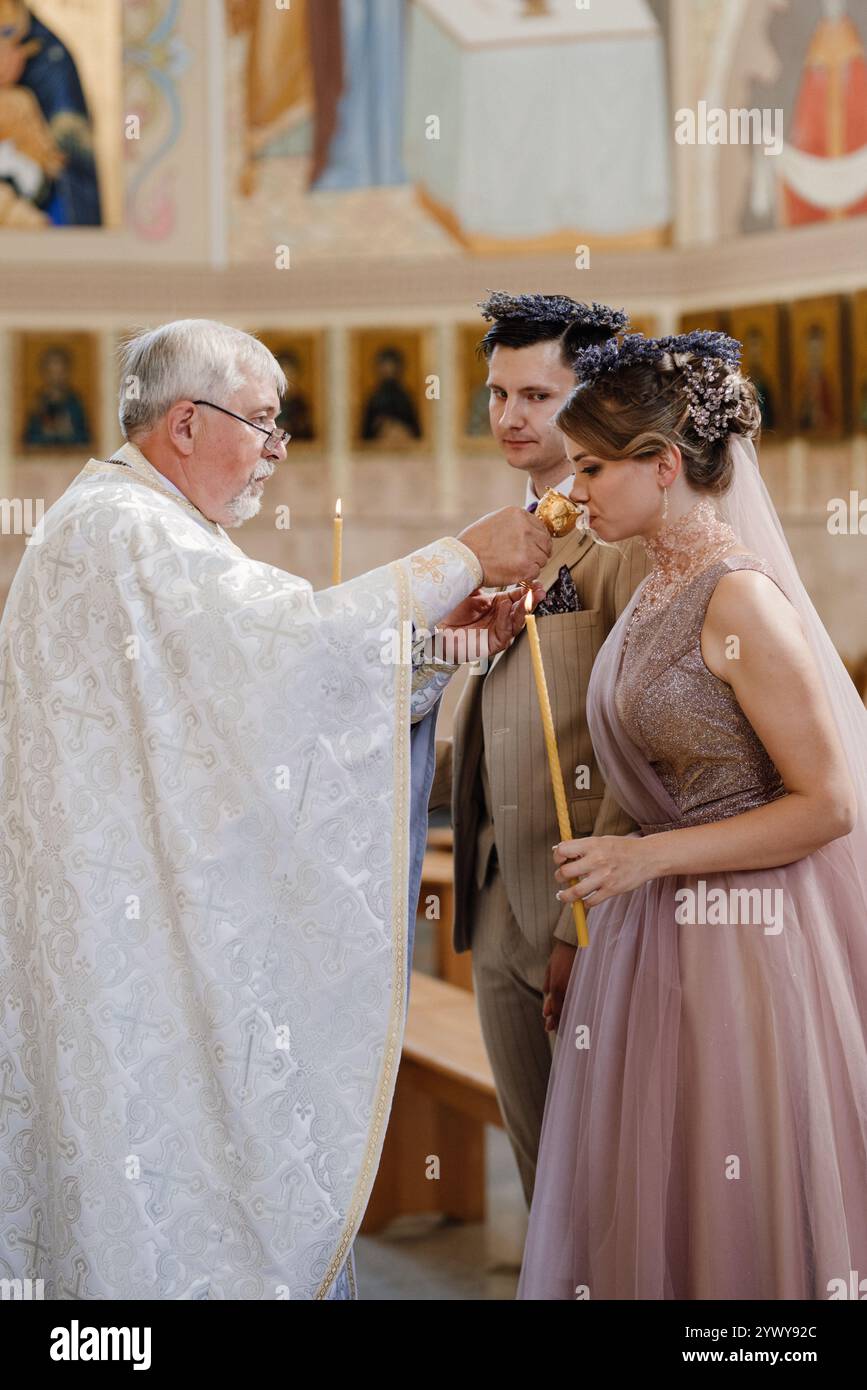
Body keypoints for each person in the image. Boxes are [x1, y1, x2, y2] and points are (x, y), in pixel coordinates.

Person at [0, 319, 552, 1301]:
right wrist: (463, 557)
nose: (274, 451)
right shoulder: (128, 530)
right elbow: (289, 652)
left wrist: (431, 648)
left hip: (126, 923)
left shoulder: (131, 523)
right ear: (183, 423)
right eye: (261, 423)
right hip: (138, 944)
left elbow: (260, 702)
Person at [518, 329, 867, 1299]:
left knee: (739, 1189)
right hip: (656, 934)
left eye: (591, 465)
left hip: (751, 942)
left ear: (663, 464)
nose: (574, 486)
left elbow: (829, 805)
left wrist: (643, 862)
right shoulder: (652, 581)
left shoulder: (740, 599)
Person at [429, 293, 648, 1206]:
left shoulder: (623, 541)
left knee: (603, 1179)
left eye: (535, 395)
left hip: (577, 911)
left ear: (590, 398)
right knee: (539, 1177)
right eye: (495, 394)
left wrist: (574, 927)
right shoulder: (496, 537)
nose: (509, 416)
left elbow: (640, 744)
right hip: (489, 894)